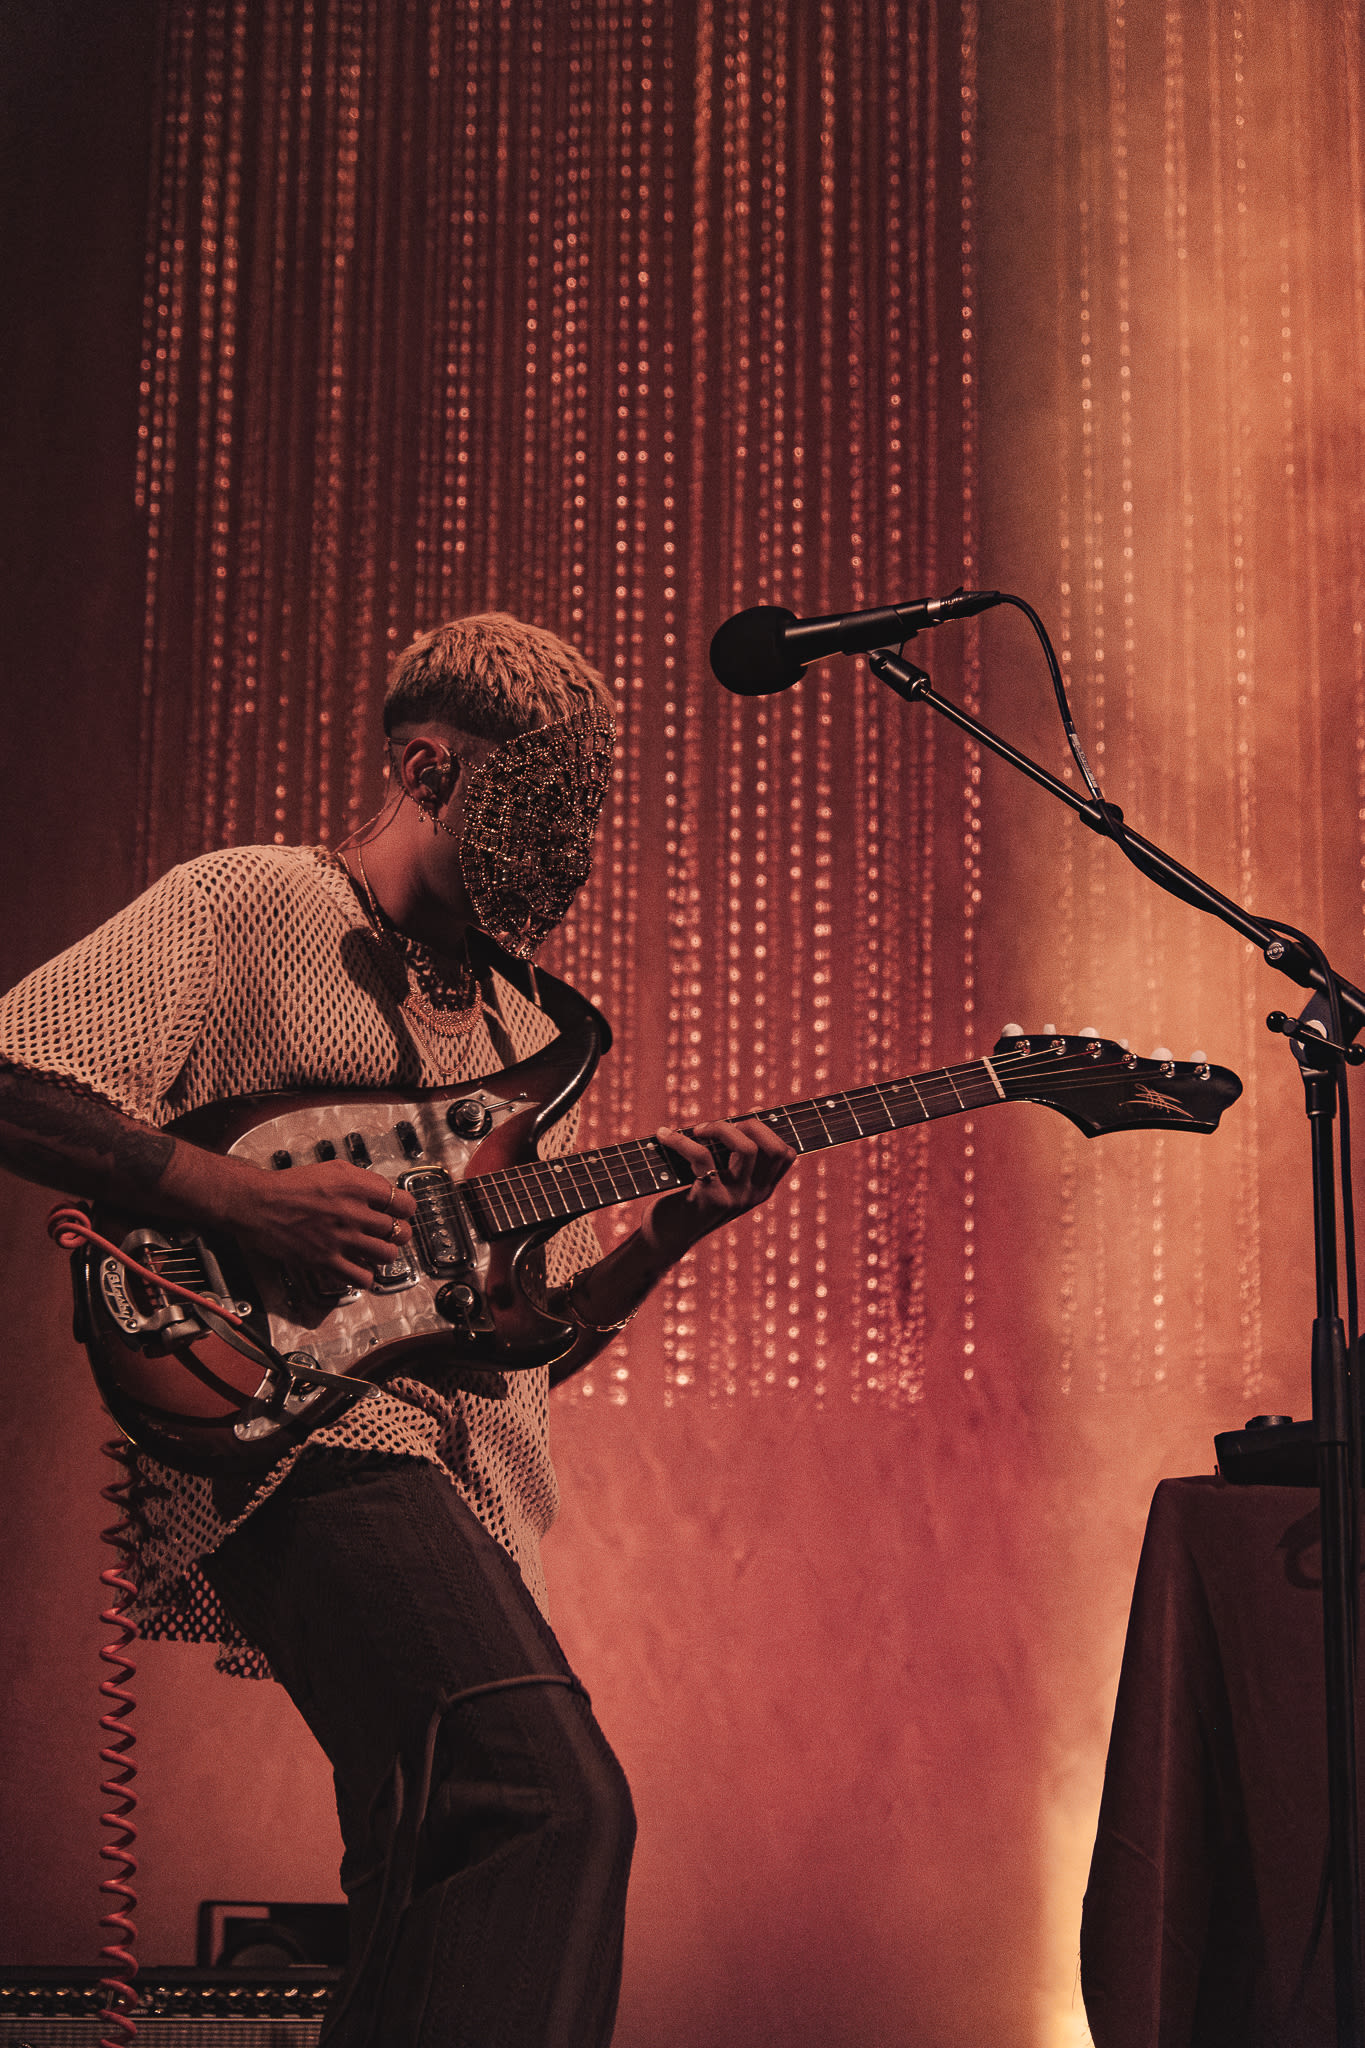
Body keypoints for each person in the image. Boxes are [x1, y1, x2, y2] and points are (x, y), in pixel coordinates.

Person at [0, 613, 796, 2046]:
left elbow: (519, 1342)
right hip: (297, 1439)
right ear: (427, 768)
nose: (562, 859)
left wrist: (664, 1241)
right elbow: (14, 1076)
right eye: (534, 813)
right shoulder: (249, 903)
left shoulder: (518, 1033)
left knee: (429, 1876)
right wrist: (238, 1196)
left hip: (471, 1480)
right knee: (542, 1803)